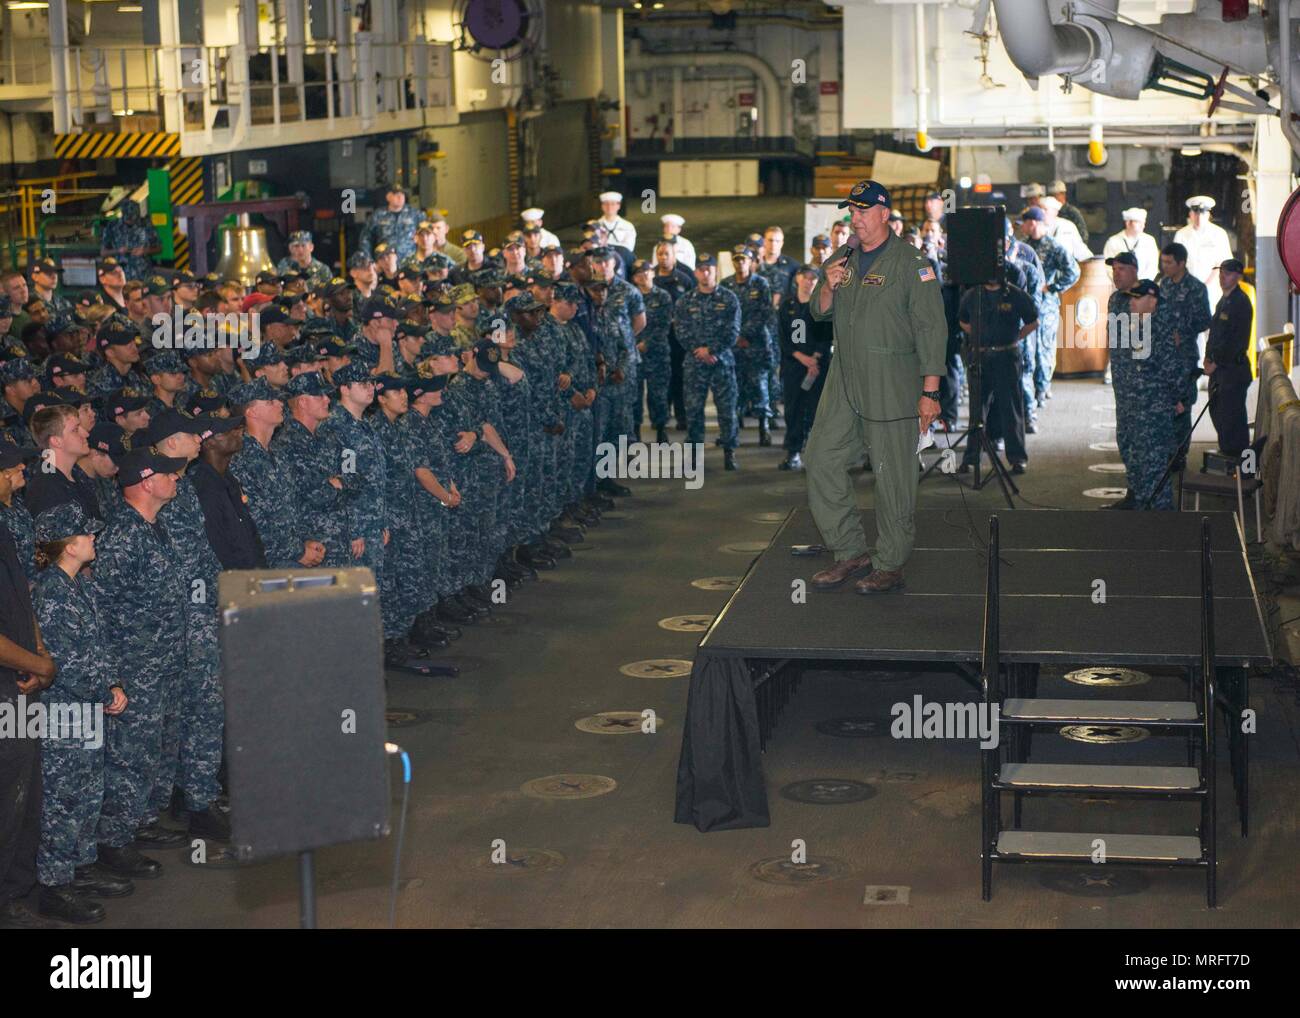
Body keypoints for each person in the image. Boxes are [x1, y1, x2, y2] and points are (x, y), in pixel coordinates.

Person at [806, 179, 947, 595]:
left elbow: (932, 330)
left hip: (892, 385)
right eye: (852, 211)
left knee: (892, 477)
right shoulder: (843, 257)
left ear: (885, 214)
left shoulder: (912, 264)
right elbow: (817, 312)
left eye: (864, 211)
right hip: (843, 381)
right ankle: (849, 550)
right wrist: (828, 285)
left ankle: (890, 561)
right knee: (820, 457)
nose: (856, 219)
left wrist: (931, 391)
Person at [91, 448, 190, 881]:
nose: (177, 479)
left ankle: (142, 821)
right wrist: (113, 675)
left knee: (157, 750)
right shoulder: (121, 536)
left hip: (164, 660)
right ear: (147, 482)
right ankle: (115, 841)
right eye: (168, 474)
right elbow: (103, 608)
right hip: (136, 666)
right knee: (130, 756)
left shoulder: (155, 527)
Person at [32, 502, 127, 924]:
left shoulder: (78, 585)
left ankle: (79, 867)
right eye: (86, 535)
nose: (93, 539)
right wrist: (103, 690)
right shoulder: (51, 592)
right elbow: (65, 662)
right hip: (64, 712)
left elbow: (98, 645)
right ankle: (54, 885)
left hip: (86, 707)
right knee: (63, 798)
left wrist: (114, 683)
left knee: (88, 791)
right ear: (67, 546)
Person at [957, 266, 1039, 476]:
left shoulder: (1015, 294)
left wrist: (1014, 338)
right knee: (977, 410)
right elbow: (963, 321)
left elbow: (1033, 321)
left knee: (1011, 409)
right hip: (980, 357)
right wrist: (981, 336)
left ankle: (1017, 458)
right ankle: (971, 457)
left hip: (1006, 357)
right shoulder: (972, 295)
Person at [1019, 207, 1079, 407]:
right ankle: (1029, 392)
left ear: (1033, 223)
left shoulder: (1053, 246)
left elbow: (1073, 271)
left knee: (1043, 349)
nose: (1023, 228)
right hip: (1027, 304)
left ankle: (1042, 390)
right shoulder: (1024, 246)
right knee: (1028, 348)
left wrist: (1052, 287)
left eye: (1025, 223)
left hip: (1046, 307)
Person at [1156, 242, 1212, 456]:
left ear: (1181, 263)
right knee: (1166, 401)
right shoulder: (1164, 285)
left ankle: (1180, 455)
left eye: (1169, 262)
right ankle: (1166, 451)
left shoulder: (1197, 288)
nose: (1165, 266)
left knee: (1183, 403)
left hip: (1185, 356)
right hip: (1164, 355)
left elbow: (1205, 320)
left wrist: (1184, 332)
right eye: (1163, 262)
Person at [778, 265, 833, 471]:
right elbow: (783, 338)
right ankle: (793, 451)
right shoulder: (787, 305)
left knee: (817, 410)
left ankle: (817, 453)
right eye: (805, 277)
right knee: (793, 409)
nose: (809, 281)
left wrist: (815, 359)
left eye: (813, 278)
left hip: (817, 367)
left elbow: (826, 334)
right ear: (798, 279)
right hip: (794, 366)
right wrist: (802, 358)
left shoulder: (821, 304)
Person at [723, 245, 776, 443]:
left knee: (759, 385)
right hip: (734, 345)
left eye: (744, 259)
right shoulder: (726, 285)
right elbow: (723, 315)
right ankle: (733, 428)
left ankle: (764, 426)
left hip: (757, 345)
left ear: (751, 261)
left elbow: (765, 313)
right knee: (734, 386)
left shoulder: (761, 284)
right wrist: (736, 336)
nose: (740, 263)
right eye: (737, 259)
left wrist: (745, 334)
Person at [1204, 258, 1253, 459]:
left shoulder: (1240, 302)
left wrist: (1216, 362)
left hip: (1232, 371)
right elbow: (1214, 333)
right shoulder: (1224, 300)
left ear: (1238, 276)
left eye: (1228, 273)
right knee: (1219, 416)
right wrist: (1208, 358)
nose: (1223, 277)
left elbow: (1237, 341)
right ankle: (1228, 459)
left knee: (1232, 419)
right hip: (1219, 371)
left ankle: (1239, 465)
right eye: (1221, 272)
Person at [1173, 196, 1234, 330]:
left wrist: (1206, 283)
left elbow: (1225, 263)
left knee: (1213, 329)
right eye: (1196, 212)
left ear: (1208, 214)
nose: (1199, 217)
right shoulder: (1181, 235)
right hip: (1187, 290)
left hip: (1212, 290)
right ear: (1190, 214)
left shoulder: (1219, 234)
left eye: (1203, 212)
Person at [360, 183, 422, 263]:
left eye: (402, 194)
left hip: (409, 262)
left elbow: (426, 236)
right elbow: (365, 237)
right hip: (385, 262)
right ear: (388, 197)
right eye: (396, 194)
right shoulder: (378, 215)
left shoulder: (415, 214)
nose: (400, 197)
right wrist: (368, 259)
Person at [1103, 208, 1159, 281]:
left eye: (1143, 222)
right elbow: (1108, 267)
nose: (1143, 225)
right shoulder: (1113, 241)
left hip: (1143, 286)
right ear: (1128, 223)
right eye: (1139, 222)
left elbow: (1152, 267)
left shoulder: (1149, 241)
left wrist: (1140, 284)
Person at [1048, 179, 1090, 244]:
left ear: (1063, 194)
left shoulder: (1072, 212)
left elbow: (1083, 235)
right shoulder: (1047, 212)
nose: (1053, 198)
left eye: (1055, 195)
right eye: (1051, 196)